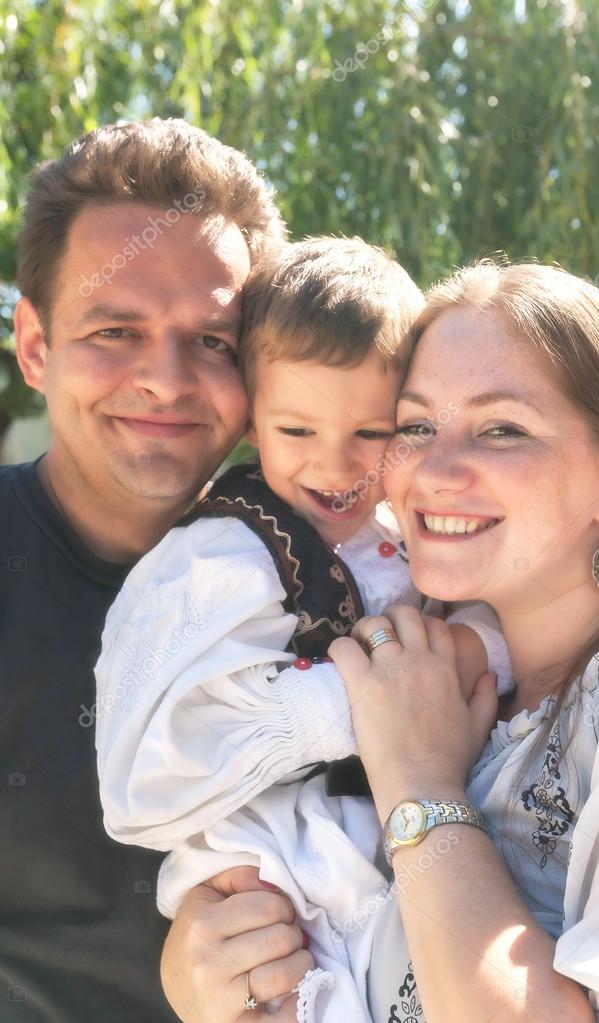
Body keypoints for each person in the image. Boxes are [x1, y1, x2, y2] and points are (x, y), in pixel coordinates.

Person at [95, 238, 513, 1021]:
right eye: (297, 432)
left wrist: (475, 652)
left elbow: (488, 625)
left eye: (372, 432)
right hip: (275, 876)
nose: (336, 465)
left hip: (383, 851)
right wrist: (363, 696)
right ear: (253, 421)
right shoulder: (222, 556)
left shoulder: (401, 530)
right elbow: (142, 780)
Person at [327, 261, 599, 1023]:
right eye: (416, 425)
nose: (436, 470)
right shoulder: (413, 660)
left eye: (501, 429)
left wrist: (421, 786)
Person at [2, 116, 298, 1022]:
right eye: (116, 328)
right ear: (36, 346)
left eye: (212, 342)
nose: (167, 379)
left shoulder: (354, 579)